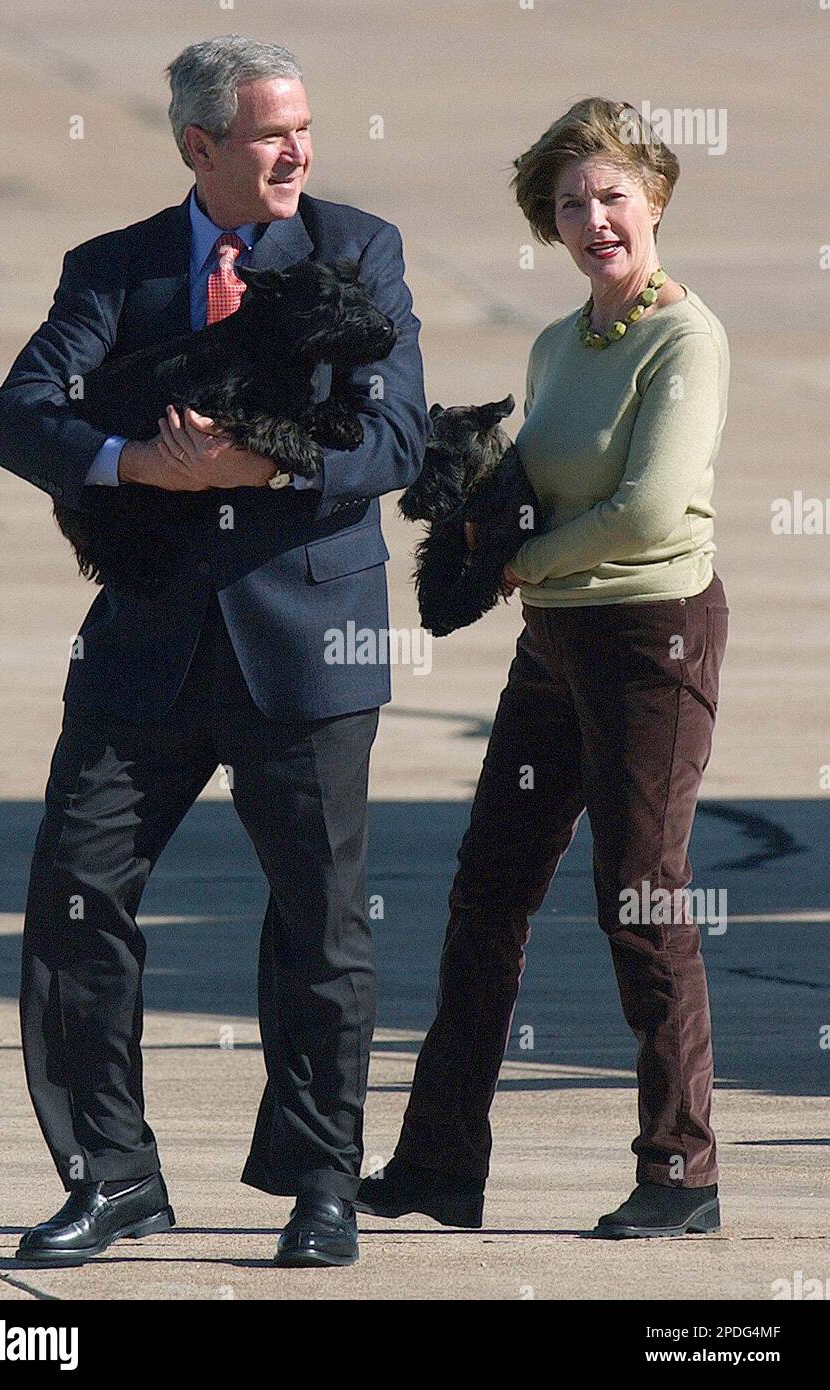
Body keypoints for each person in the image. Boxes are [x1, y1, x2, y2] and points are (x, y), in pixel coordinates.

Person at [0, 34, 428, 1269]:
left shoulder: (356, 250)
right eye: (270, 133)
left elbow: (396, 439)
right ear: (199, 147)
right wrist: (130, 463)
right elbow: (16, 413)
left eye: (305, 129)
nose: (298, 151)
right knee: (75, 900)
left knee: (320, 924)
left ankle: (320, 1183)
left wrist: (260, 461)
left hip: (308, 640)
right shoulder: (114, 268)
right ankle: (111, 1174)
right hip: (146, 651)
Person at [357, 96, 730, 1239]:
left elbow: (648, 509)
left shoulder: (686, 336)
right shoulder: (557, 342)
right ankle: (438, 1162)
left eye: (612, 195)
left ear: (654, 198)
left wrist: (522, 563)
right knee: (488, 892)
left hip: (650, 637)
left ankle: (682, 1170)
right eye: (571, 204)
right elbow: (533, 480)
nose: (594, 219)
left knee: (642, 894)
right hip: (555, 644)